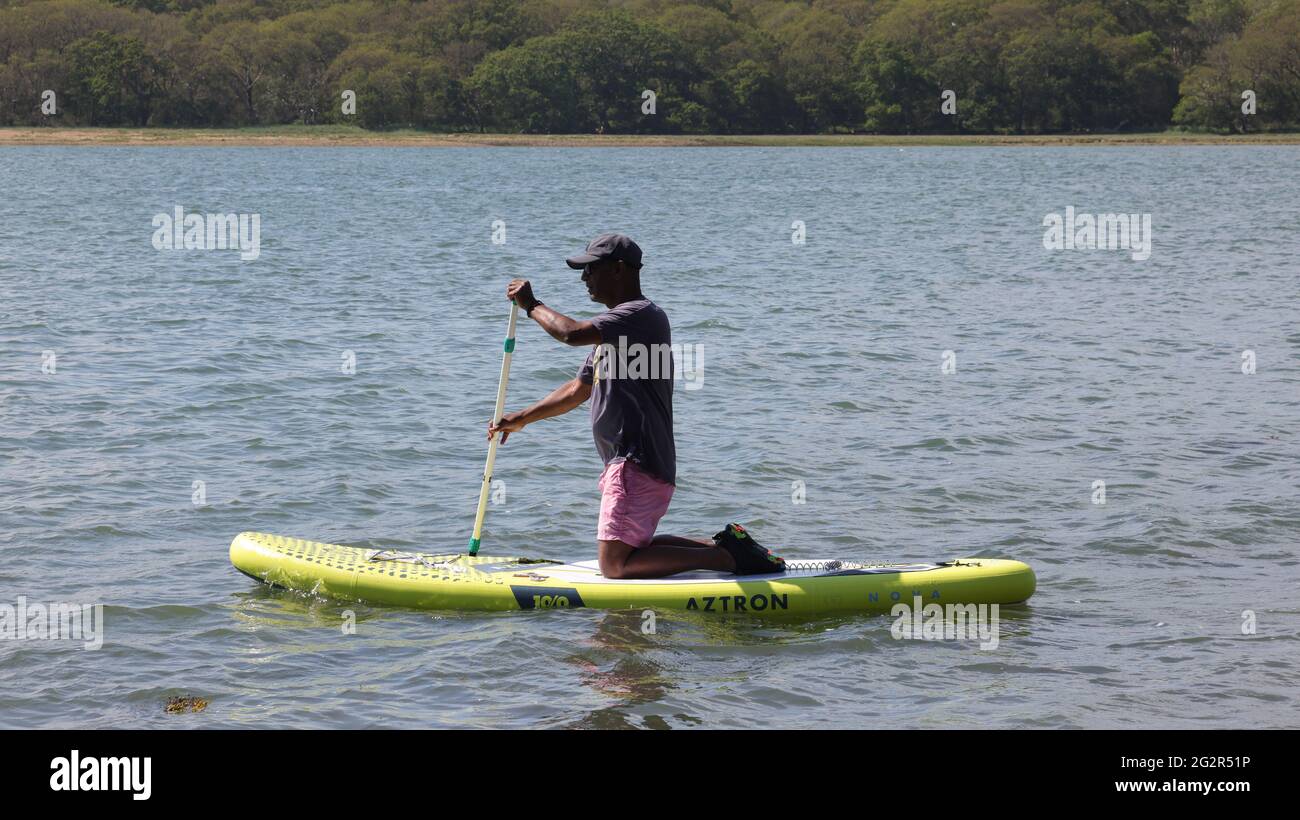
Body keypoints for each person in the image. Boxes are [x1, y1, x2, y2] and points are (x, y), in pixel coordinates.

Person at [488, 232, 785, 579]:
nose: (584, 279)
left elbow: (569, 333)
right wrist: (521, 419)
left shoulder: (639, 316)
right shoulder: (615, 333)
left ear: (618, 269)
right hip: (632, 463)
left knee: (614, 564)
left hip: (635, 462)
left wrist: (532, 304)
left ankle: (725, 560)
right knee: (632, 551)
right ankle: (729, 547)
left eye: (590, 270)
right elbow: (578, 390)